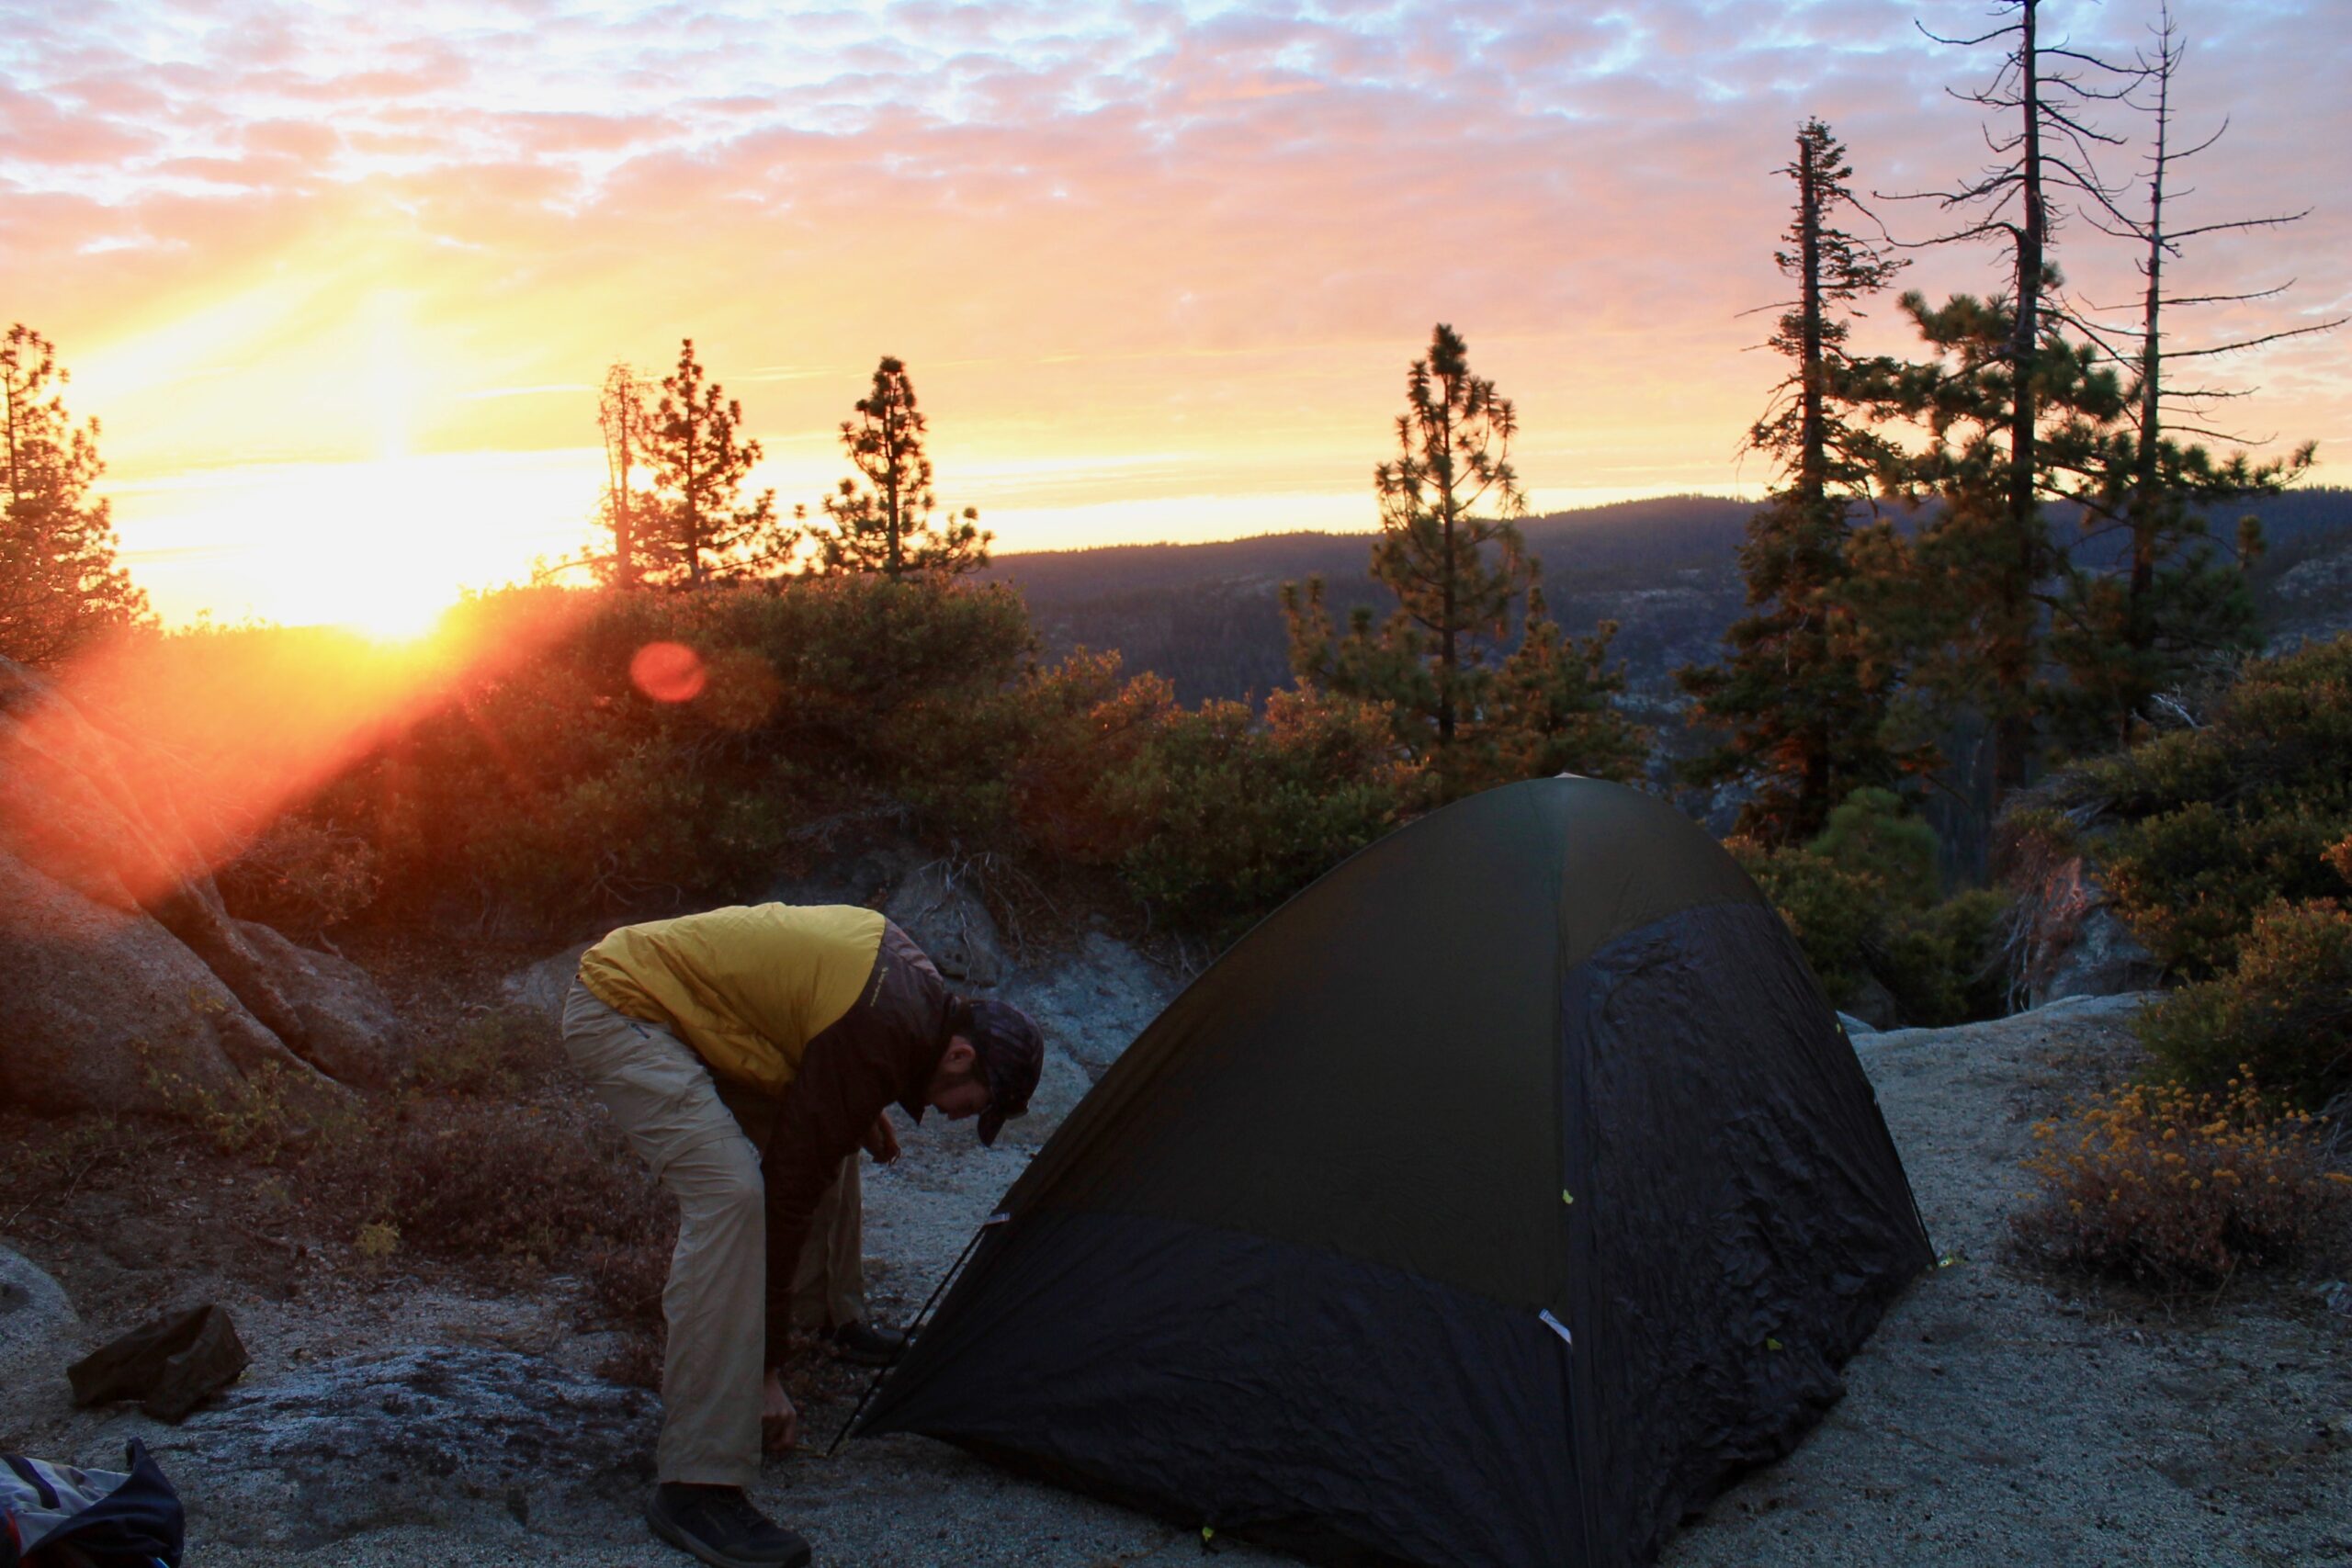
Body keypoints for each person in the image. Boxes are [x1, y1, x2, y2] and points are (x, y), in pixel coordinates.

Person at [560, 902, 1044, 1568]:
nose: (954, 1117)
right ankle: (695, 1481)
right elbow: (786, 1196)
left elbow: (863, 972)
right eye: (973, 1105)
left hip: (699, 1016)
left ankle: (835, 1320)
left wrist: (864, 1101)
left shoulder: (919, 995)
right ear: (959, 1053)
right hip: (624, 1005)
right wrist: (764, 1369)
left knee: (839, 1133)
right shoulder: (881, 1026)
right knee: (732, 1197)